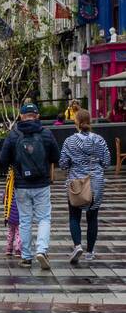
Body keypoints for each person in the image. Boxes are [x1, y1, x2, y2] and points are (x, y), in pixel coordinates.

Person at [0, 102, 60, 270]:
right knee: (44, 218)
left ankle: (26, 256)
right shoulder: (46, 133)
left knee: (25, 219)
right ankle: (41, 249)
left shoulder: (14, 134)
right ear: (37, 116)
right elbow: (56, 156)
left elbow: (2, 160)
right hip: (42, 183)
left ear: (21, 116)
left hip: (21, 184)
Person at [59, 108, 110, 265]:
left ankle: (77, 245)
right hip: (96, 182)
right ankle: (90, 252)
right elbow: (107, 162)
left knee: (74, 216)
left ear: (76, 122)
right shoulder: (99, 140)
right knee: (92, 217)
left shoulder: (70, 141)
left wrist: (74, 163)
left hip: (77, 183)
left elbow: (63, 164)